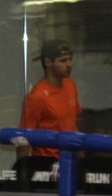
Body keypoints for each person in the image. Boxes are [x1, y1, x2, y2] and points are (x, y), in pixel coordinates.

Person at [18, 38, 81, 182]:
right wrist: (22, 178)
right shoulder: (37, 97)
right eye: (63, 61)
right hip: (47, 166)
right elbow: (23, 138)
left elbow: (74, 125)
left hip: (71, 161)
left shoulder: (70, 86)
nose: (69, 65)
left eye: (70, 60)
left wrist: (81, 159)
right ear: (48, 62)